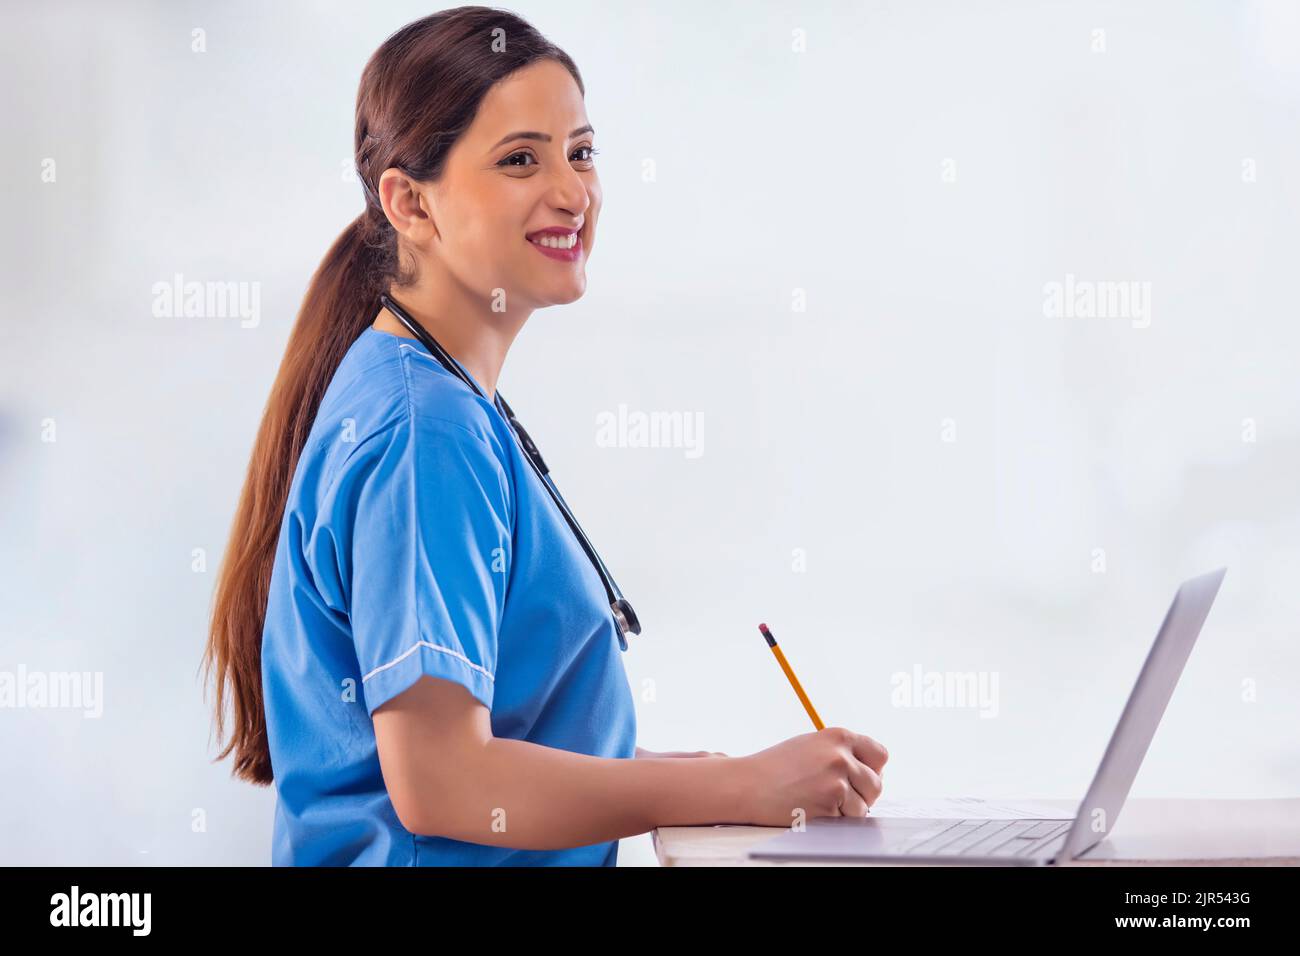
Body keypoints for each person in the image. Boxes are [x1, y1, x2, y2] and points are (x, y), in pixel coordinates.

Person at [202, 5, 888, 866]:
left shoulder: (438, 398)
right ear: (410, 202)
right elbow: (446, 783)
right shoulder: (425, 431)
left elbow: (498, 741)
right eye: (520, 159)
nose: (572, 191)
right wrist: (737, 787)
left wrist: (709, 775)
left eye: (582, 152)